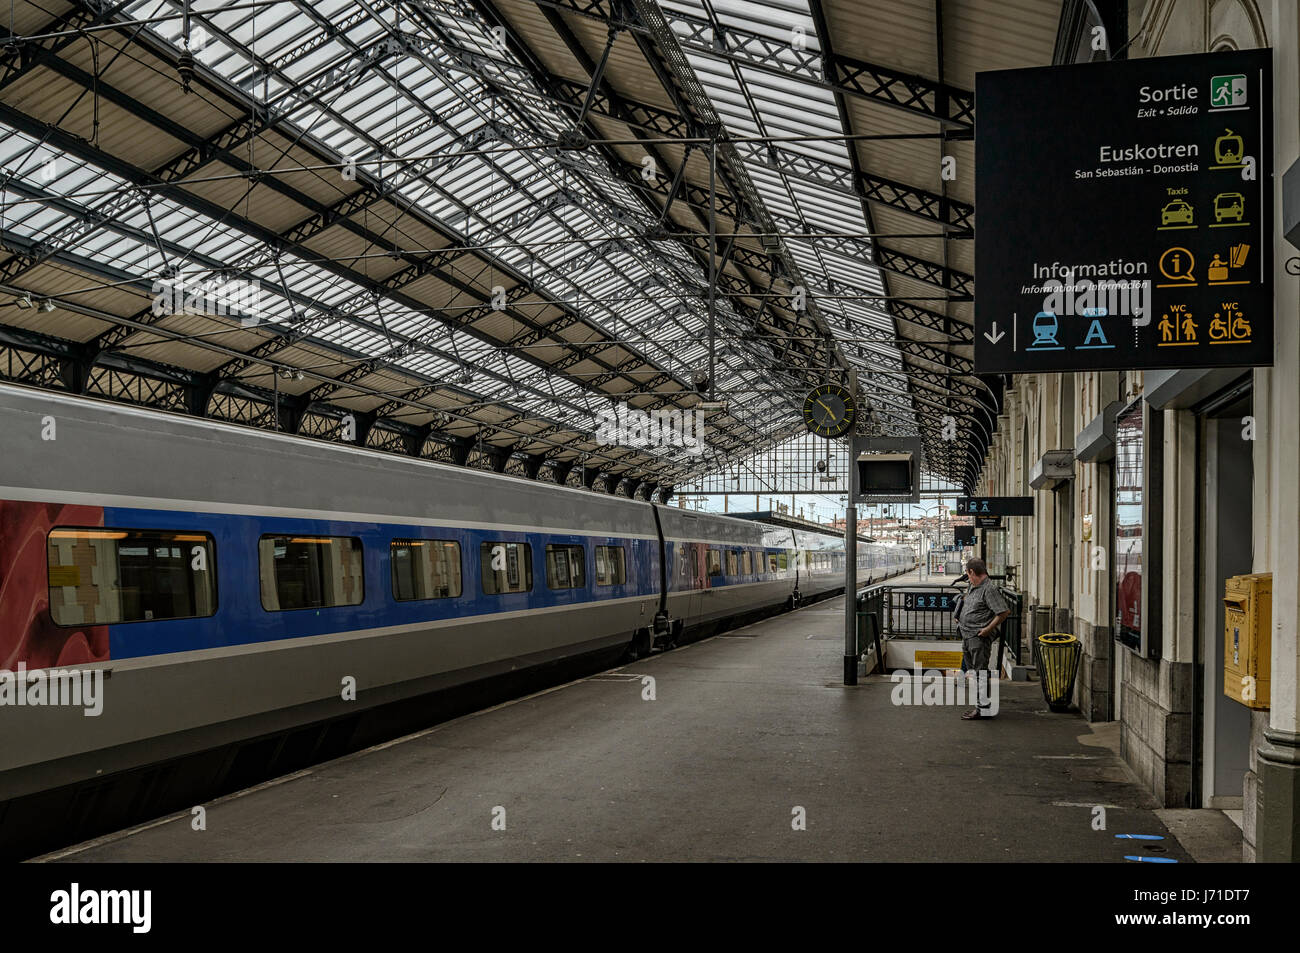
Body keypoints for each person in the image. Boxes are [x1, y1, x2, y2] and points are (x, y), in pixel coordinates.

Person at [956, 558, 1009, 720]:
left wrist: (987, 629)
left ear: (972, 572)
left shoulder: (989, 589)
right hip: (967, 635)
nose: (967, 577)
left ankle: (983, 708)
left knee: (980, 672)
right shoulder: (974, 586)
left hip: (978, 638)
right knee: (974, 672)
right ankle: (980, 705)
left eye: (968, 573)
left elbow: (1003, 612)